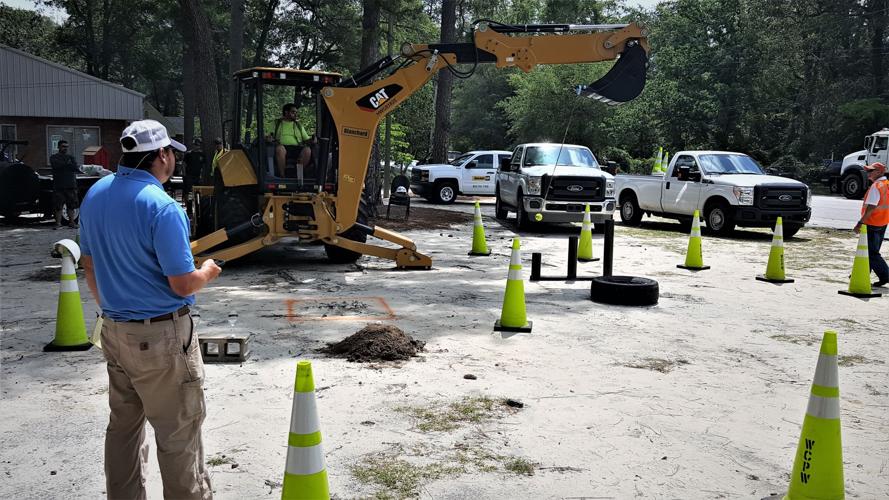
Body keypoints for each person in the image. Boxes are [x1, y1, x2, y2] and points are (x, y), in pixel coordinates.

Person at [79, 119, 221, 500]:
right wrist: (206, 272)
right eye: (171, 152)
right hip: (161, 338)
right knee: (178, 433)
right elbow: (182, 283)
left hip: (114, 330)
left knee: (123, 428)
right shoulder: (162, 207)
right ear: (161, 155)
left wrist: (112, 307)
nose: (172, 158)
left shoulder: (96, 194)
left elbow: (89, 265)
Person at [853, 162, 889, 287]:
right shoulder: (887, 184)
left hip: (872, 222)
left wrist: (860, 222)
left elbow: (871, 207)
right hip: (883, 222)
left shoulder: (876, 186)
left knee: (870, 253)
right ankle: (861, 272)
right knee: (870, 251)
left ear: (879, 172)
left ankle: (886, 275)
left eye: (871, 171)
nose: (868, 173)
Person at [270, 103, 312, 178]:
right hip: (282, 147)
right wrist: (269, 138)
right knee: (280, 149)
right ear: (286, 112)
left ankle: (298, 175)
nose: (296, 114)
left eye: (296, 112)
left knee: (307, 150)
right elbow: (269, 136)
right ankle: (282, 176)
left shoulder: (298, 125)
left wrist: (312, 140)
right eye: (293, 112)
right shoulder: (276, 123)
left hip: (296, 148)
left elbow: (307, 139)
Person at [50, 140, 82, 228]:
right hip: (59, 185)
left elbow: (75, 167)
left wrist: (66, 165)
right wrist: (67, 165)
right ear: (59, 147)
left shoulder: (71, 157)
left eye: (67, 146)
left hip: (70, 184)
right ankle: (58, 223)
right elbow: (56, 165)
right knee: (58, 205)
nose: (65, 148)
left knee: (71, 205)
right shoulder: (54, 157)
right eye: (63, 146)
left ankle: (72, 222)